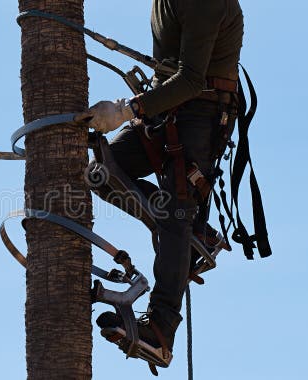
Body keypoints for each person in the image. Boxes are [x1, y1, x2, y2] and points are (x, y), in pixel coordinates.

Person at [78, 0, 245, 363]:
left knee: (175, 215)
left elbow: (190, 79)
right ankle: (192, 236)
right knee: (105, 172)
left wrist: (127, 110)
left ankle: (161, 330)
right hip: (167, 110)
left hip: (201, 114)